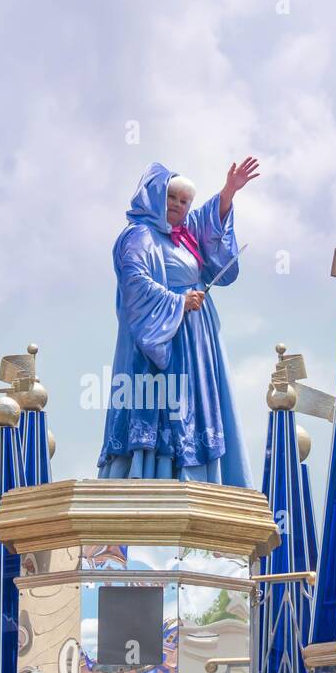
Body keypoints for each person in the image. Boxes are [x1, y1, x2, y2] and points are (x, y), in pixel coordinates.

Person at [96, 158, 260, 487]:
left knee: (197, 407)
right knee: (162, 406)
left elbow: (209, 224)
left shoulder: (183, 236)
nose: (178, 206)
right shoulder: (140, 236)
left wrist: (228, 192)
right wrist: (178, 302)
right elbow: (134, 283)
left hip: (198, 341)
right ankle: (148, 487)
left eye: (184, 201)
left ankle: (202, 487)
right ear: (156, 196)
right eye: (172, 198)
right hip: (162, 339)